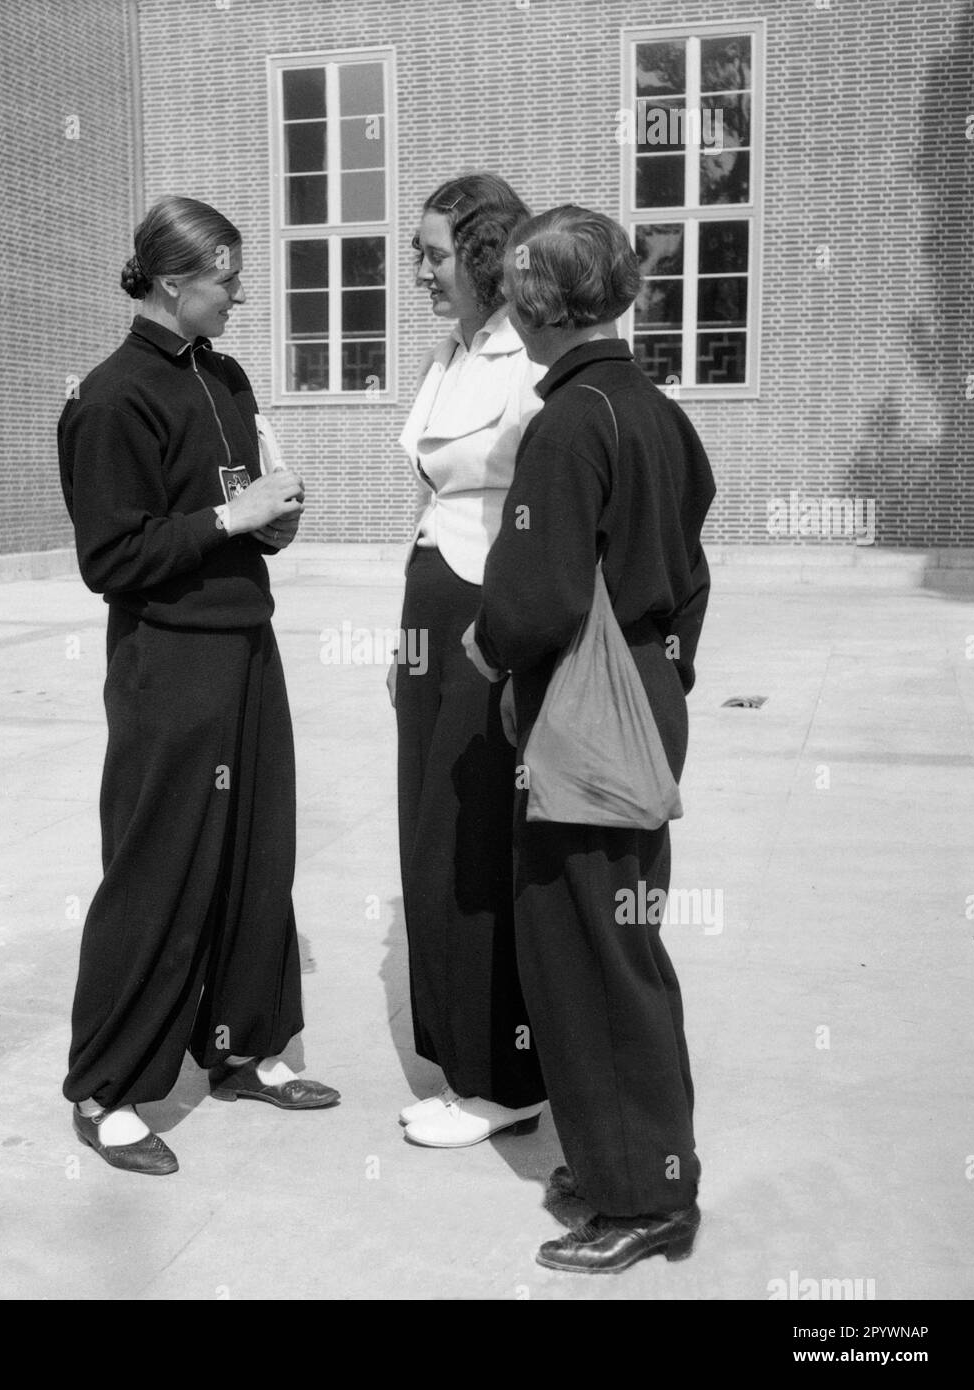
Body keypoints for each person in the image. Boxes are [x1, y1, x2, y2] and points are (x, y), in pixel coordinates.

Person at [58, 195, 339, 1176]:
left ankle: (241, 1048)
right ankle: (107, 1087)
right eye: (227, 277)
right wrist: (232, 520)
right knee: (159, 864)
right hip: (167, 660)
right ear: (175, 281)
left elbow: (244, 498)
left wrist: (273, 516)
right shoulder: (109, 397)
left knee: (257, 852)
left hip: (243, 642)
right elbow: (111, 556)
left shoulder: (223, 374)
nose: (243, 293)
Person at [468, 205, 716, 1269]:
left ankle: (646, 1197)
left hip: (585, 707)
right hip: (644, 691)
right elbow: (692, 562)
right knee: (615, 937)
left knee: (587, 952)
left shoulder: (569, 422)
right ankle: (629, 1163)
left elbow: (536, 598)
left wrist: (486, 648)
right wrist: (667, 672)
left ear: (534, 304)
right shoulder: (654, 409)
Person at [392, 173, 548, 1147]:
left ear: (484, 256)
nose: (417, 271)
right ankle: (458, 1060)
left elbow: (546, 517)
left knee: (476, 839)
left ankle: (502, 1079)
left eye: (432, 253)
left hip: (483, 620)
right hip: (429, 617)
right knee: (428, 834)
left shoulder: (530, 361)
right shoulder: (453, 351)